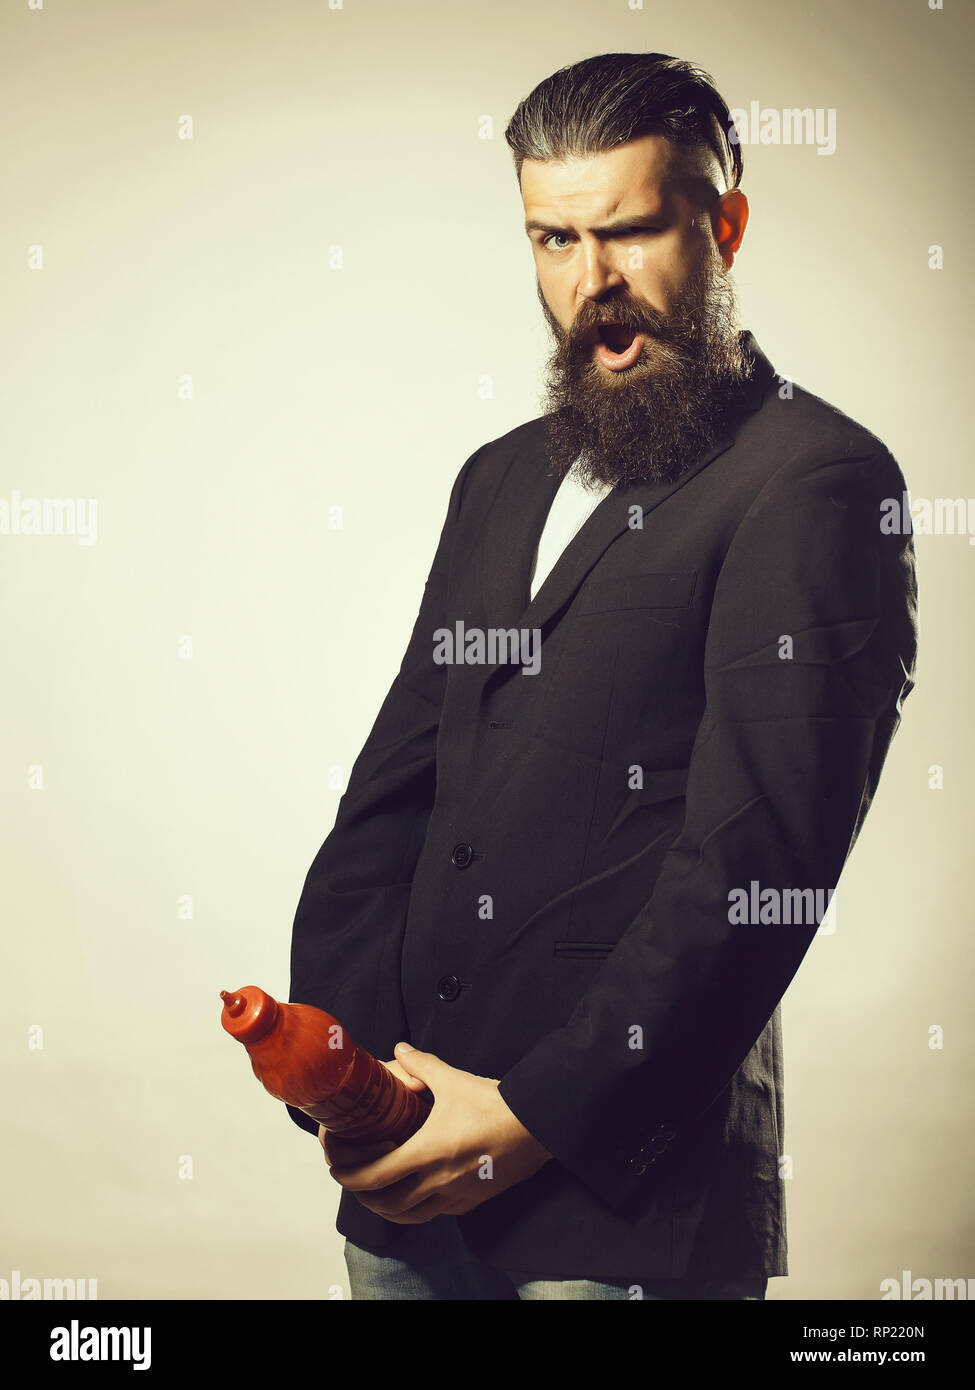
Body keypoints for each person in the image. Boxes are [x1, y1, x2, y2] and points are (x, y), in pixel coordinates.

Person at [286, 52, 919, 1300]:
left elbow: (758, 873)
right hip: (406, 1182)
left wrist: (526, 1121)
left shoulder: (821, 481)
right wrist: (344, 1083)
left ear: (725, 224)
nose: (594, 284)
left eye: (630, 231)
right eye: (554, 238)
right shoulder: (499, 475)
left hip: (624, 1208)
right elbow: (391, 802)